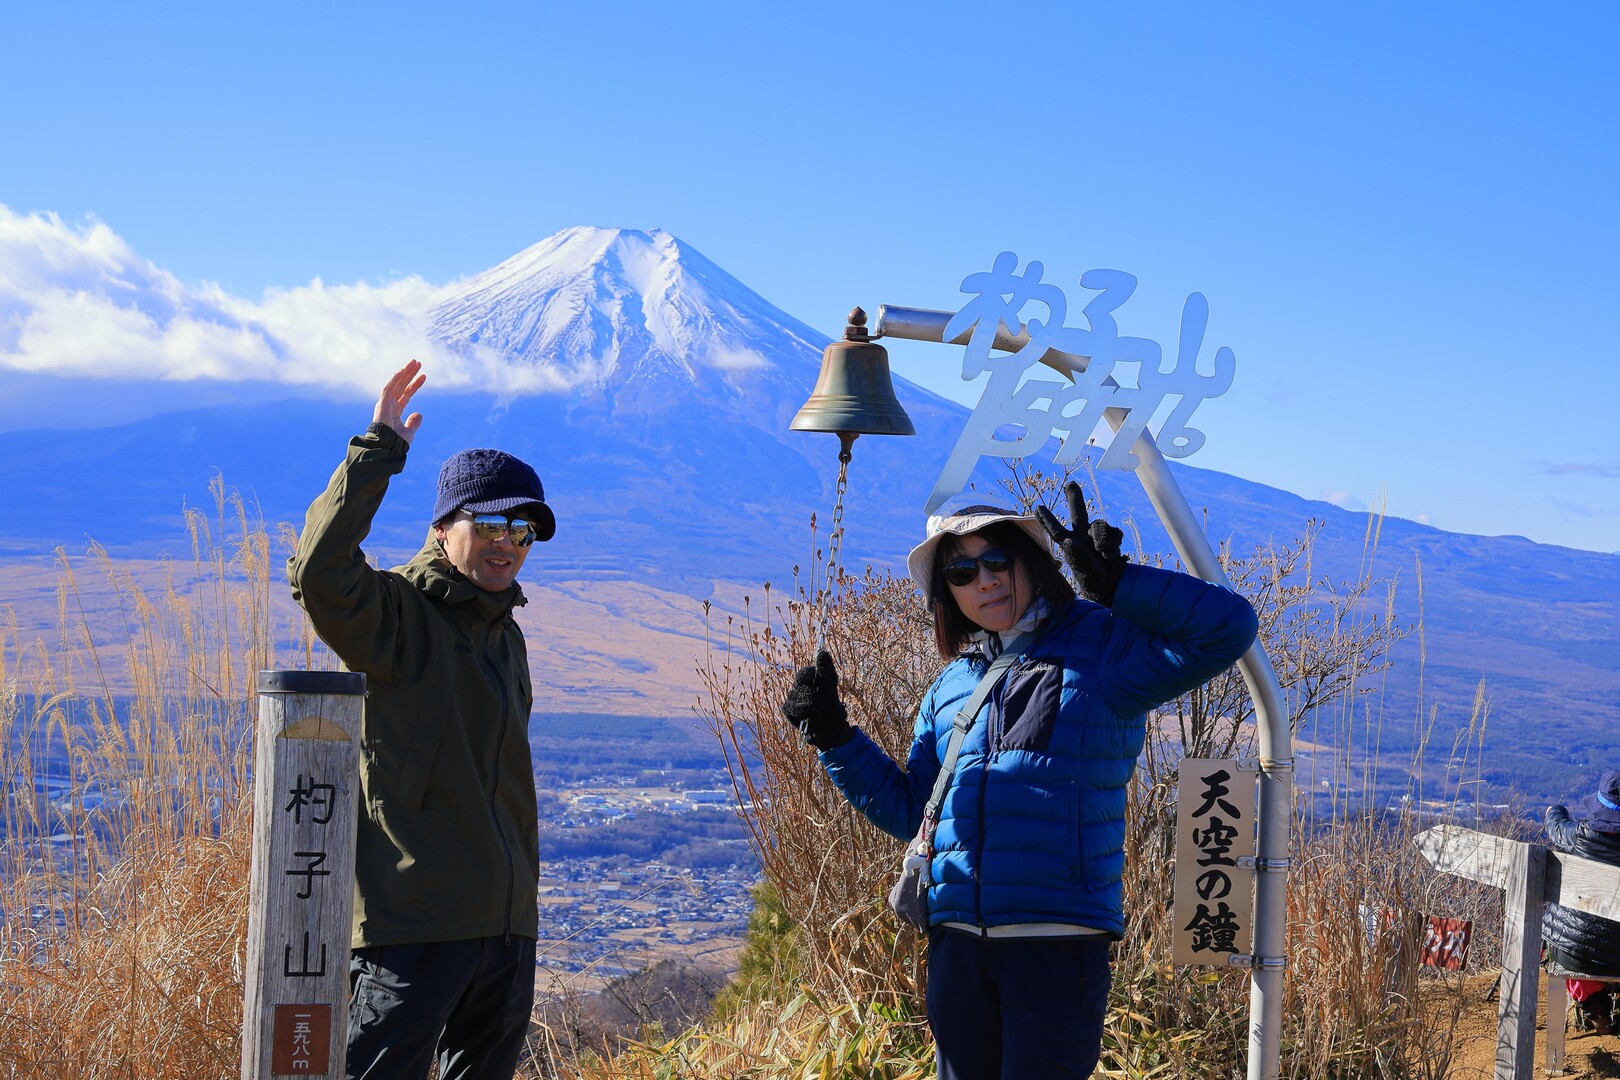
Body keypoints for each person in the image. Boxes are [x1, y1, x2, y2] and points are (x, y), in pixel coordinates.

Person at [780, 484, 1258, 1079]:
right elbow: (912, 811)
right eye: (961, 571)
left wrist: (1116, 585)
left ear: (1031, 561)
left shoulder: (1105, 649)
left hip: (1056, 939)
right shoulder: (949, 686)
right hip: (956, 943)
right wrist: (835, 737)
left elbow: (1228, 627)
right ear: (945, 595)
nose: (984, 580)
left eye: (997, 561)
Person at [287, 359, 556, 1080]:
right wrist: (377, 449)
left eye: (525, 528)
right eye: (492, 521)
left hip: (504, 935)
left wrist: (517, 924)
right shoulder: (400, 616)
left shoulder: (505, 632)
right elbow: (318, 574)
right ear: (444, 528)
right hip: (411, 934)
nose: (510, 541)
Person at [1542, 771, 1620, 1034]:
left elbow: (1555, 827)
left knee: (1575, 943)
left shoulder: (1579, 836)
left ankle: (1595, 1006)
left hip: (1574, 956)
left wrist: (1556, 811)